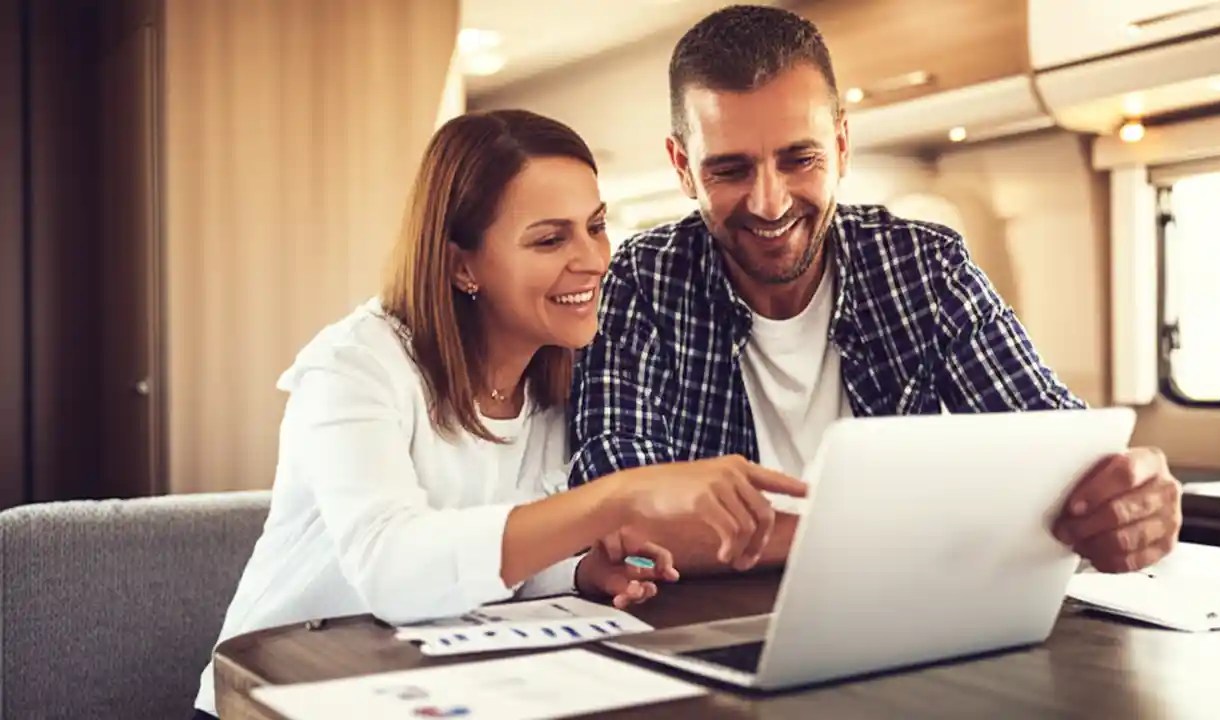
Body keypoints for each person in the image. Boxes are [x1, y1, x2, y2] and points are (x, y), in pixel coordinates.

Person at [191, 109, 806, 718]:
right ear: (462, 264)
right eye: (550, 238)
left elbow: (482, 564)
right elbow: (393, 570)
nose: (593, 259)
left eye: (595, 226)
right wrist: (620, 496)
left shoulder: (554, 371)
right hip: (275, 698)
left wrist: (576, 574)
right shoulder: (353, 367)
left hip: (423, 687)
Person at [569, 5, 1181, 576]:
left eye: (798, 159)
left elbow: (1058, 453)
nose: (769, 202)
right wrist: (900, 538)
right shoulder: (641, 281)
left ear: (839, 146)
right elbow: (620, 511)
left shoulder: (923, 266)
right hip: (712, 627)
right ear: (682, 168)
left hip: (901, 609)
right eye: (730, 170)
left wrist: (1128, 491)